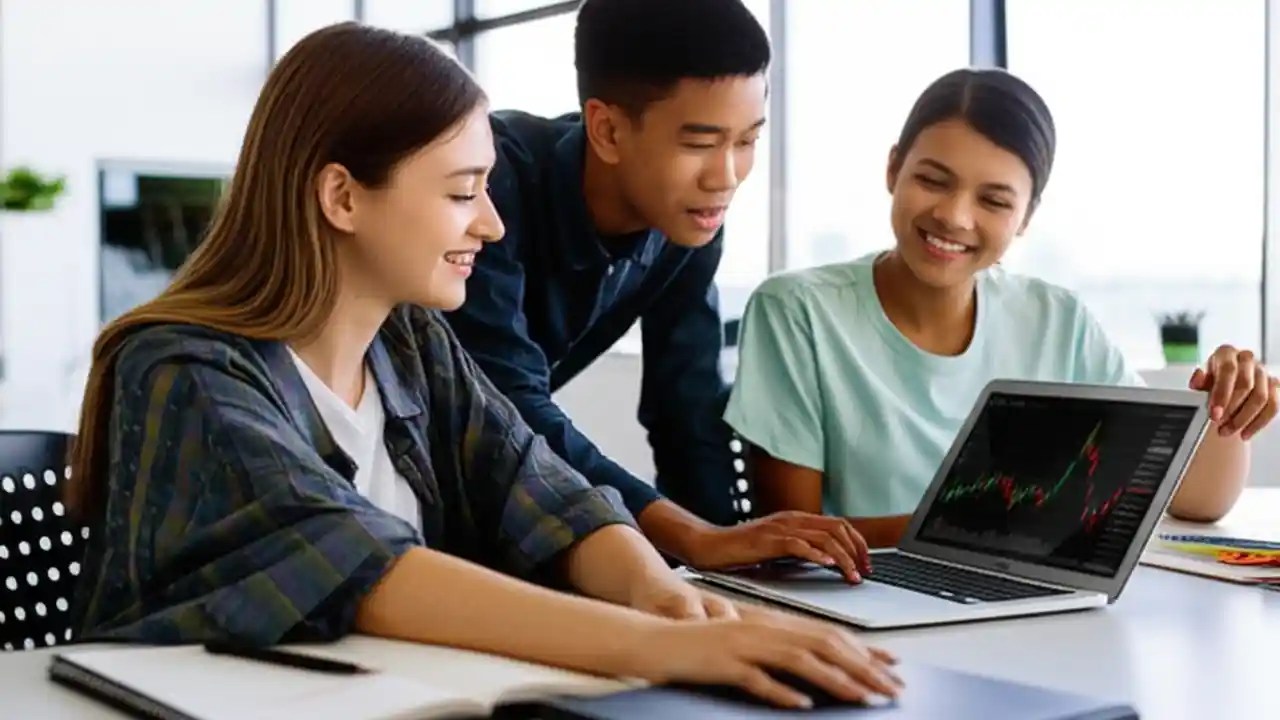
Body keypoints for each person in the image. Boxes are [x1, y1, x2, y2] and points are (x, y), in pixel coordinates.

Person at [64, 24, 901, 709]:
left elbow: (545, 490)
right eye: (463, 193)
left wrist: (666, 596)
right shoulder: (181, 369)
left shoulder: (414, 346)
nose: (494, 227)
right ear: (343, 197)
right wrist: (661, 645)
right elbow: (358, 560)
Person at [726, 67, 1278, 548]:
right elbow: (790, 536)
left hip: (1029, 614)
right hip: (860, 616)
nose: (955, 216)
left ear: (1027, 215)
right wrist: (1001, 527)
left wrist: (1225, 408)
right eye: (931, 180)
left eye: (993, 200)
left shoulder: (1057, 322)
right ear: (894, 169)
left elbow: (1197, 504)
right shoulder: (797, 312)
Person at [444, 0, 871, 583]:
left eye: (747, 141)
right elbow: (504, 402)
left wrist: (736, 569)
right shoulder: (487, 183)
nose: (725, 176)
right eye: (700, 144)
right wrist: (694, 537)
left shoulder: (686, 222)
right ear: (608, 130)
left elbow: (686, 410)